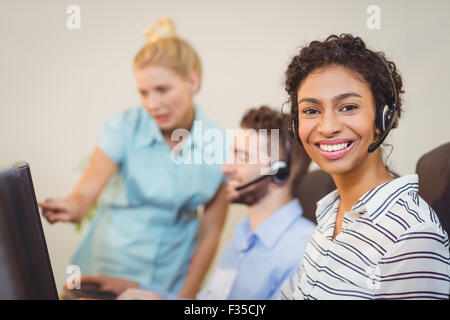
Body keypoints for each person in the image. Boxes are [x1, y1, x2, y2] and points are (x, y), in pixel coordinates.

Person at [38, 17, 229, 299]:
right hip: (102, 277)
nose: (152, 104)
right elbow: (83, 197)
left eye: (162, 89)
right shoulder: (123, 128)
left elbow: (209, 237)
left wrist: (184, 299)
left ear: (192, 81)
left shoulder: (221, 149)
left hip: (164, 285)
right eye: (143, 92)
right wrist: (69, 206)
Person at [70, 106, 316, 300]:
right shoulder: (240, 242)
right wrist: (133, 288)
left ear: (281, 173)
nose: (226, 167)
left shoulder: (303, 252)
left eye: (242, 157)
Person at [279, 34, 450, 300]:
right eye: (311, 111)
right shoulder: (329, 213)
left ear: (383, 118)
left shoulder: (412, 237)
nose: (327, 127)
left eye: (348, 107)